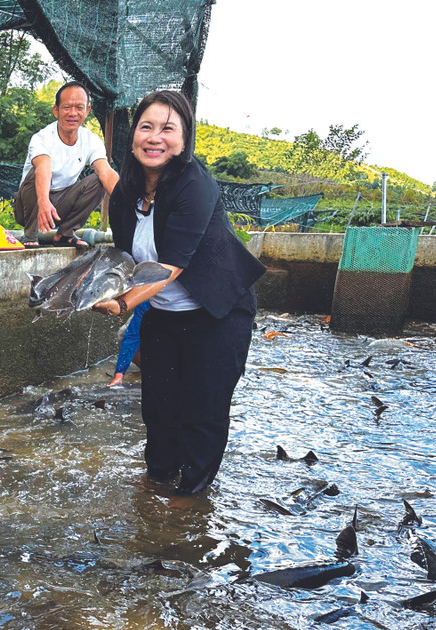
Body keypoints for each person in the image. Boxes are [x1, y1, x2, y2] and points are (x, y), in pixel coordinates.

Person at [91, 90, 265, 495]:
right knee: (158, 409)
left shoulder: (195, 185)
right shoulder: (123, 194)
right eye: (146, 127)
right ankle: (155, 490)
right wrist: (93, 287)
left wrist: (121, 304)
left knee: (203, 411)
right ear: (132, 137)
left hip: (218, 312)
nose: (155, 137)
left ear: (184, 140)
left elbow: (172, 263)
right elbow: (123, 259)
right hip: (165, 315)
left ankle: (191, 503)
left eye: (168, 129)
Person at [14, 82, 119, 248]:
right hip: (29, 206)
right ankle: (30, 236)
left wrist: (128, 203)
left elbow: (105, 171)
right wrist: (44, 201)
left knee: (99, 181)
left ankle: (65, 234)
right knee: (36, 173)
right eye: (67, 107)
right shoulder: (42, 138)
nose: (73, 113)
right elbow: (43, 168)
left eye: (79, 107)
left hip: (61, 204)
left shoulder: (91, 140)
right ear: (56, 110)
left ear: (87, 111)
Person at [109, 300, 150, 387]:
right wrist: (119, 373)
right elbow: (132, 335)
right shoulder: (148, 299)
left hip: (182, 316)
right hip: (154, 308)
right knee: (123, 333)